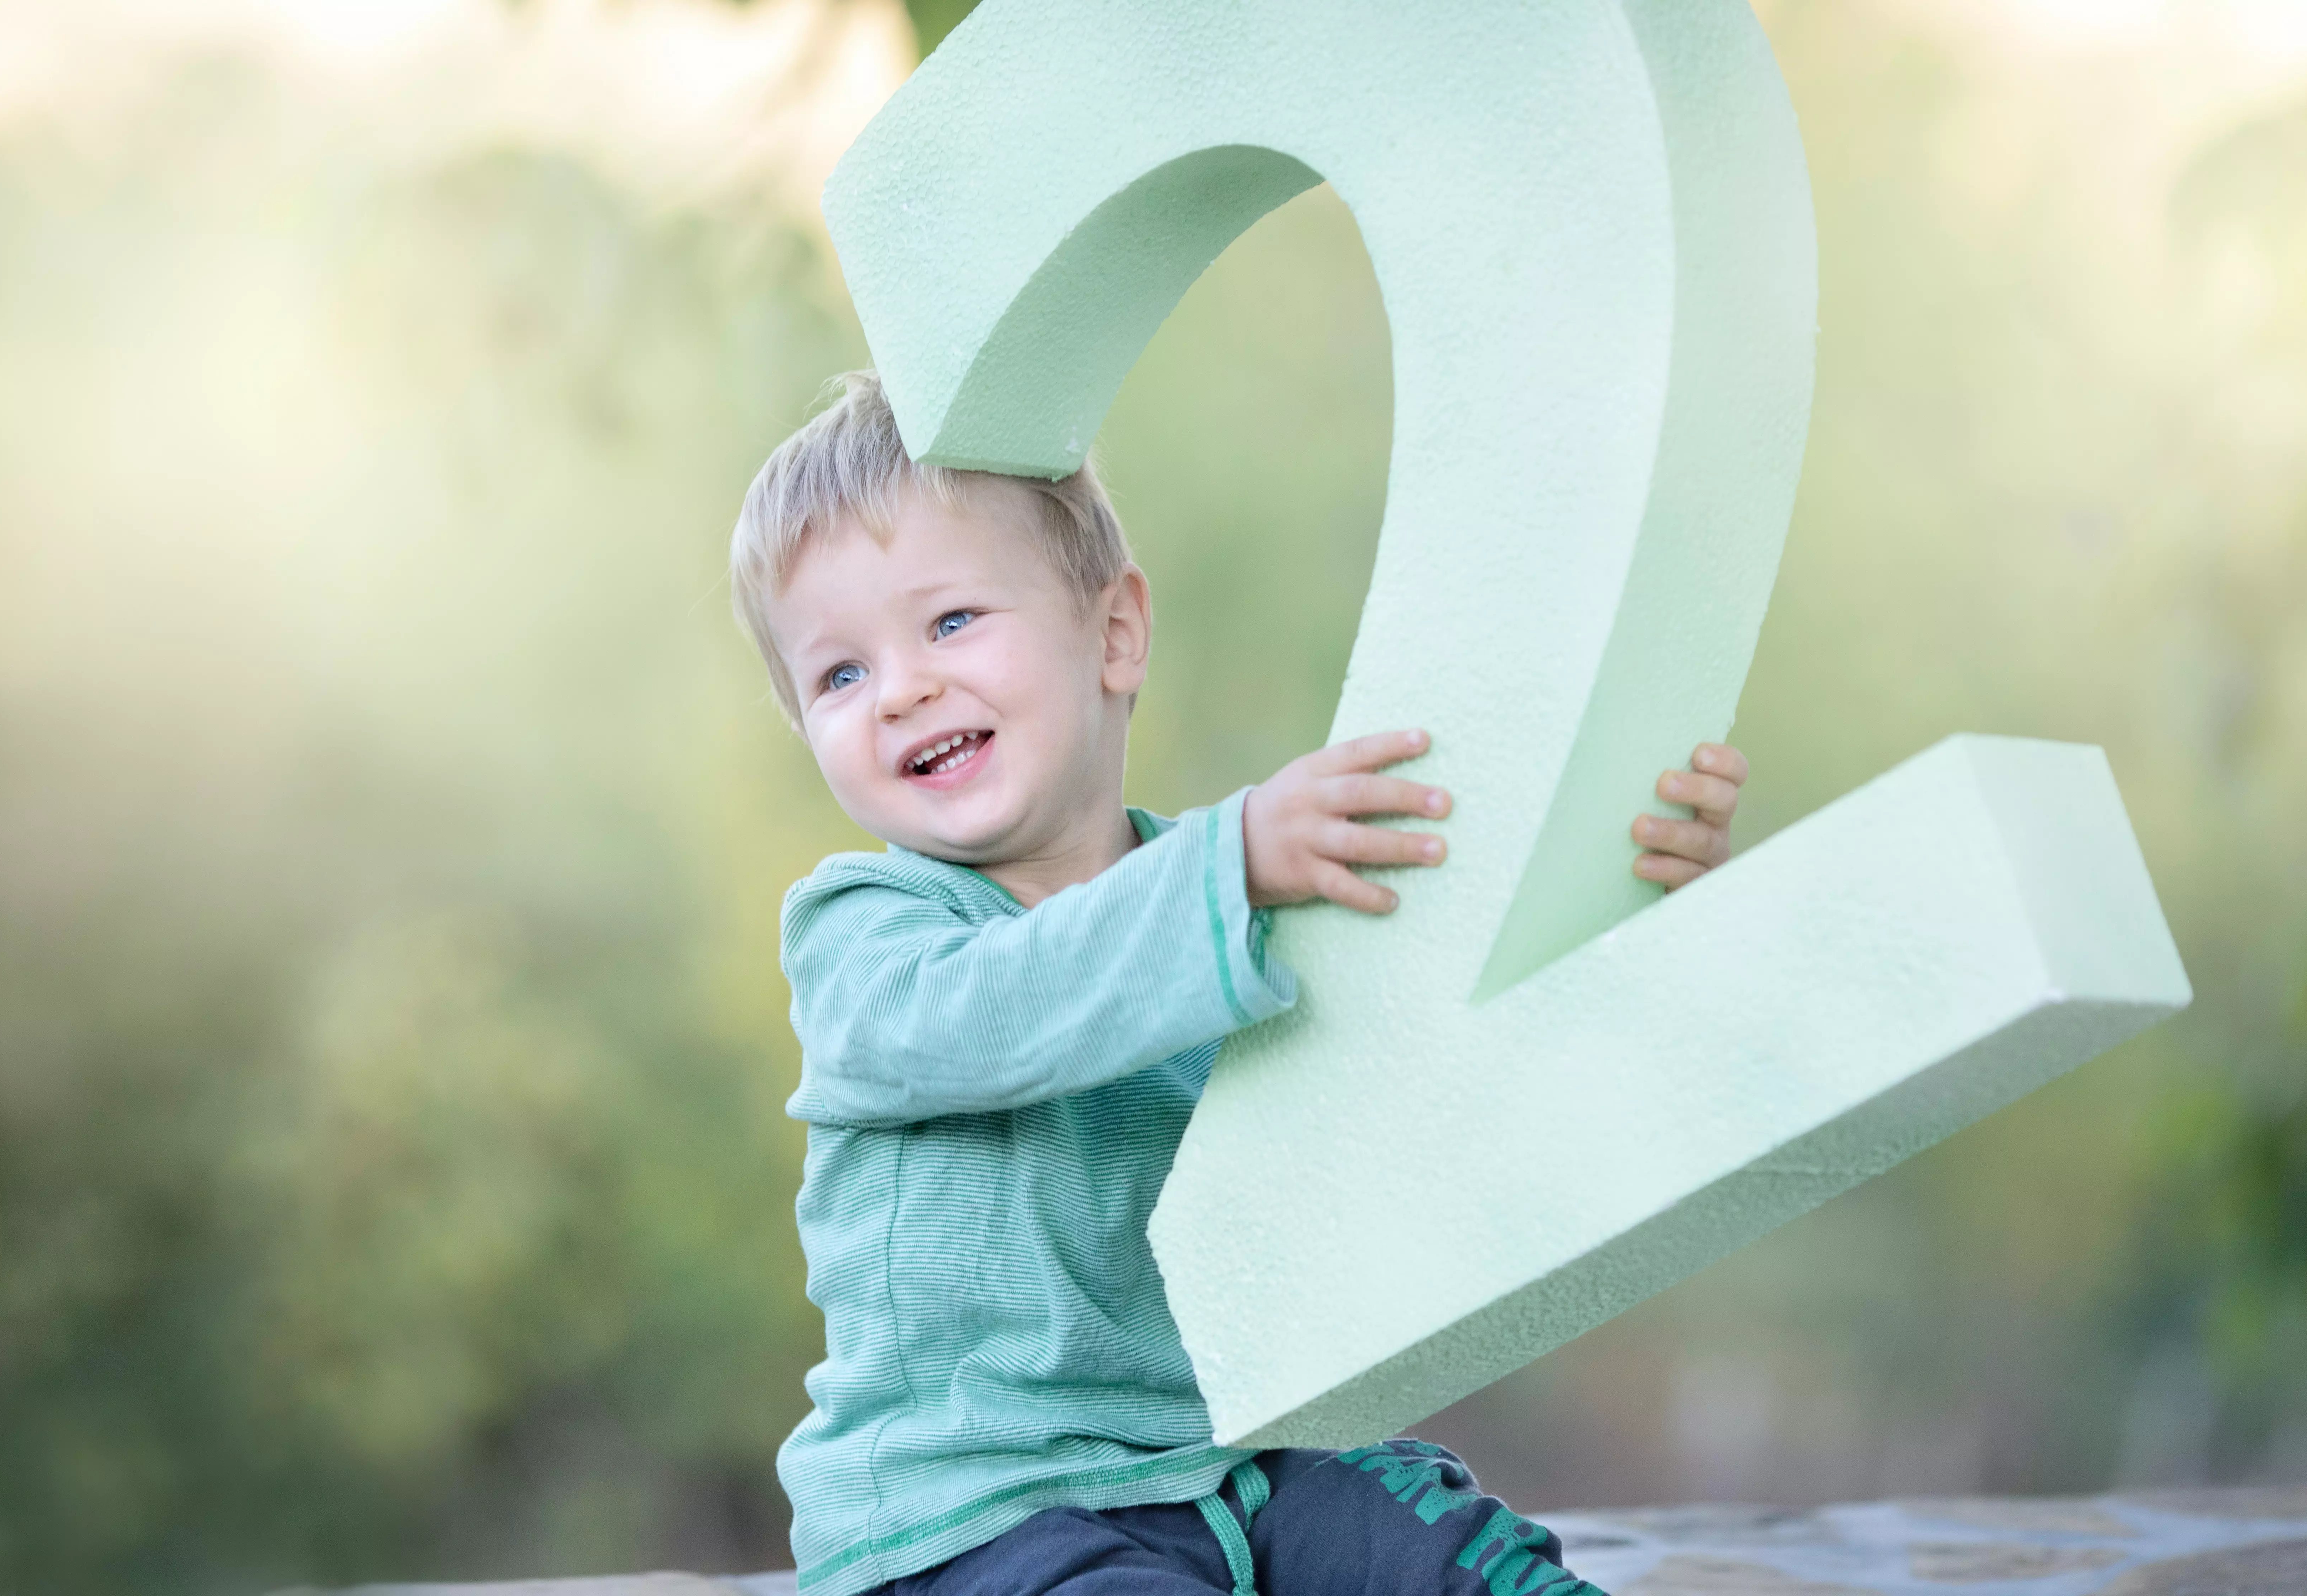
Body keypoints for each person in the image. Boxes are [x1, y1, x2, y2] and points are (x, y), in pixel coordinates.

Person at [729, 372, 1749, 1596]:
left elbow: (1432, 1052)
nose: (899, 688)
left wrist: (1619, 895)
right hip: (974, 1511)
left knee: (1434, 1543)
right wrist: (1239, 865)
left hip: (1233, 1465)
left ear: (1113, 634)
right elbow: (997, 1011)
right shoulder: (867, 930)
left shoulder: (1242, 895)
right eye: (838, 676)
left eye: (949, 622)